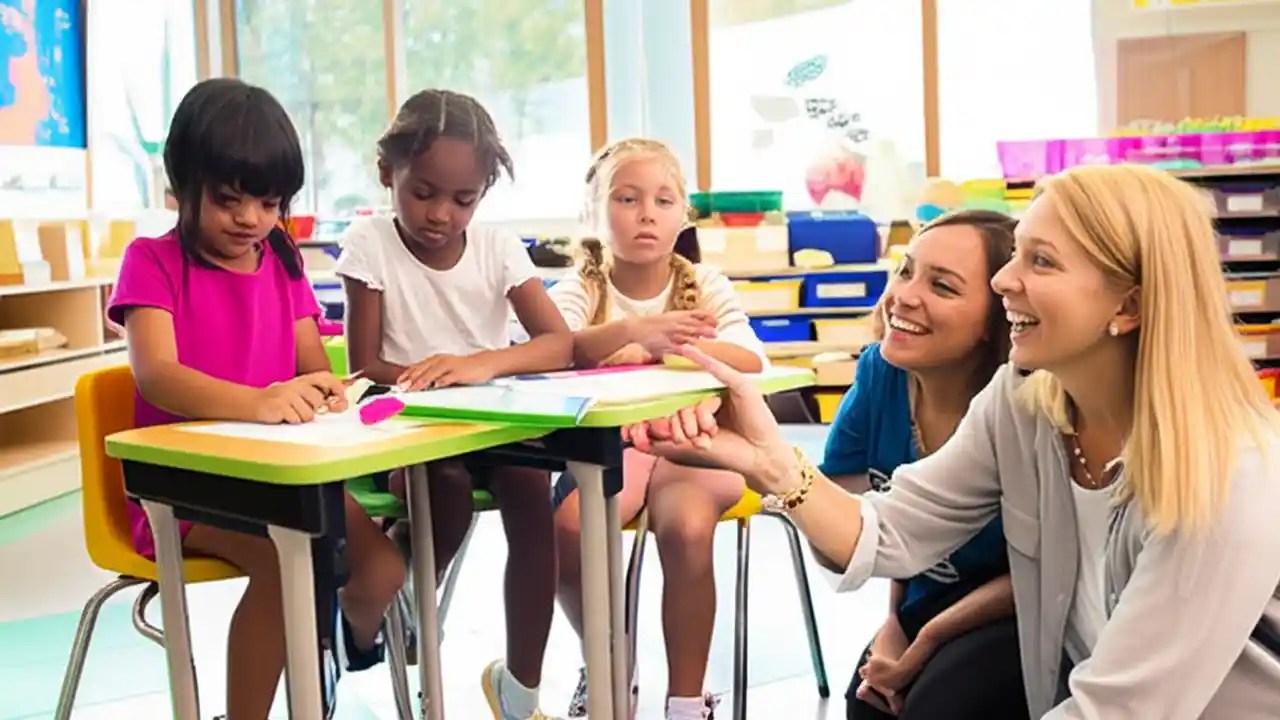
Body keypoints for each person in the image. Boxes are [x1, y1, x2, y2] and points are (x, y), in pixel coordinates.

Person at [621, 164, 1280, 719]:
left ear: (1128, 306)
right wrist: (765, 458)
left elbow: (1120, 712)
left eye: (1040, 261)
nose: (1004, 282)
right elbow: (886, 533)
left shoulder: (1229, 473)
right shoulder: (1023, 405)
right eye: (1016, 251)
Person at [107, 78, 406, 720]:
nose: (250, 220)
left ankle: (335, 645)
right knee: (284, 563)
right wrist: (260, 401)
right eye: (228, 200)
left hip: (286, 477)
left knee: (382, 571)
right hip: (186, 489)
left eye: (268, 203)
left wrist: (324, 389)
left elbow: (306, 366)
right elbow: (155, 374)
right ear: (182, 185)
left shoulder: (281, 261)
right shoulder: (151, 261)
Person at [336, 89, 573, 720]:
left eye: (463, 199)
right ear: (389, 174)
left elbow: (559, 344)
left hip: (495, 421)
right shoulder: (368, 242)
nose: (441, 213)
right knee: (438, 485)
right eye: (424, 192)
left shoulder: (496, 248)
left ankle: (519, 692)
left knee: (531, 496)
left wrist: (478, 365)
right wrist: (430, 381)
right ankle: (398, 603)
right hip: (406, 426)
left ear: (482, 196)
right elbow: (364, 367)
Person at [548, 138, 767, 720]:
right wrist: (631, 332)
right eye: (627, 198)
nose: (647, 212)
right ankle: (607, 665)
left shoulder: (705, 284)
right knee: (569, 528)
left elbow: (751, 357)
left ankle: (687, 702)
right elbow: (547, 354)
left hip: (702, 445)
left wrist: (661, 349)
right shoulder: (581, 288)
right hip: (616, 448)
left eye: (664, 200)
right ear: (596, 211)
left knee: (689, 529)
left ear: (682, 216)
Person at [820, 210, 1028, 719]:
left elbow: (1042, 568)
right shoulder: (881, 374)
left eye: (943, 286)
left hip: (1016, 611)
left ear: (995, 318)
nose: (904, 296)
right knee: (867, 707)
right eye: (906, 271)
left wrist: (925, 639)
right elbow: (877, 524)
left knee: (938, 704)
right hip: (924, 601)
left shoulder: (1023, 404)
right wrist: (893, 624)